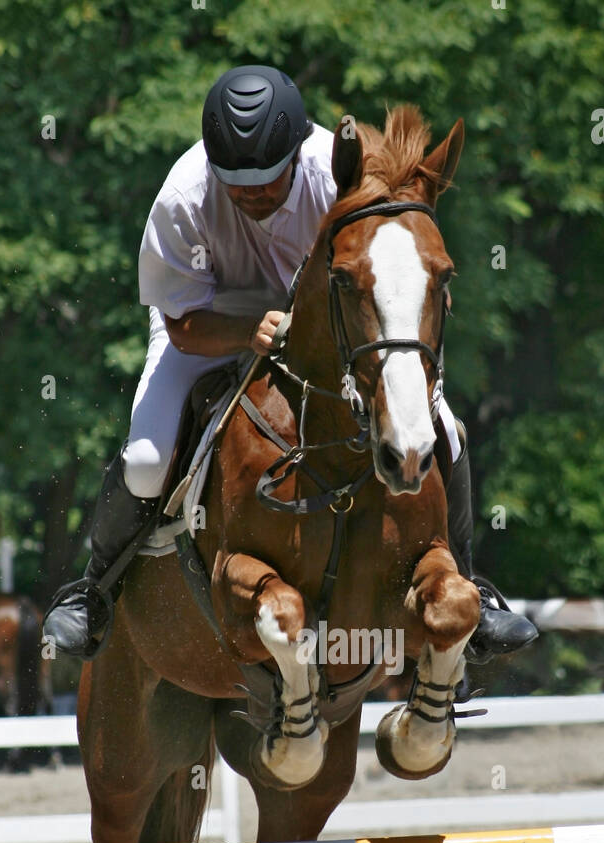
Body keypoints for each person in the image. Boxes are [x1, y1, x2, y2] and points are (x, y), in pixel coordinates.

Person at [42, 65, 537, 661]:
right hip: (209, 321)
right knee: (147, 461)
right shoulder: (183, 196)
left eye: (267, 180)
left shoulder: (336, 171)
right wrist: (248, 330)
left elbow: (388, 262)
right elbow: (181, 324)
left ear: (298, 154)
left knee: (441, 429)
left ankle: (474, 589)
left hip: (324, 324)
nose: (251, 193)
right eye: (236, 182)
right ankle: (92, 592)